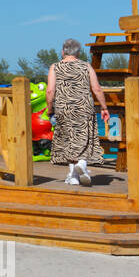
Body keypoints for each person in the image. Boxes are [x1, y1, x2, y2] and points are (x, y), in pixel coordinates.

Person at [46, 38, 110, 186]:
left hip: (63, 108)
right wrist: (104, 107)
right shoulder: (86, 66)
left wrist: (50, 109)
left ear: (63, 52)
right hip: (83, 108)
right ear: (78, 52)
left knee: (68, 140)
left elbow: (50, 91)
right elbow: (97, 89)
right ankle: (81, 165)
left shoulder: (54, 67)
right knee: (84, 138)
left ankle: (73, 176)